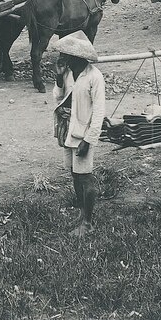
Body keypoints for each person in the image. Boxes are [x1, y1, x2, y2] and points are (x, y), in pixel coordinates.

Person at [50, 31, 106, 237]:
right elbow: (58, 98)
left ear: (77, 57)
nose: (62, 58)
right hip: (69, 131)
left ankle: (88, 223)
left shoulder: (94, 77)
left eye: (65, 55)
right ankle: (82, 214)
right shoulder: (67, 74)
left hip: (83, 134)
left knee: (85, 177)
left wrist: (89, 140)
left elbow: (99, 112)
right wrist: (58, 78)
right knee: (75, 173)